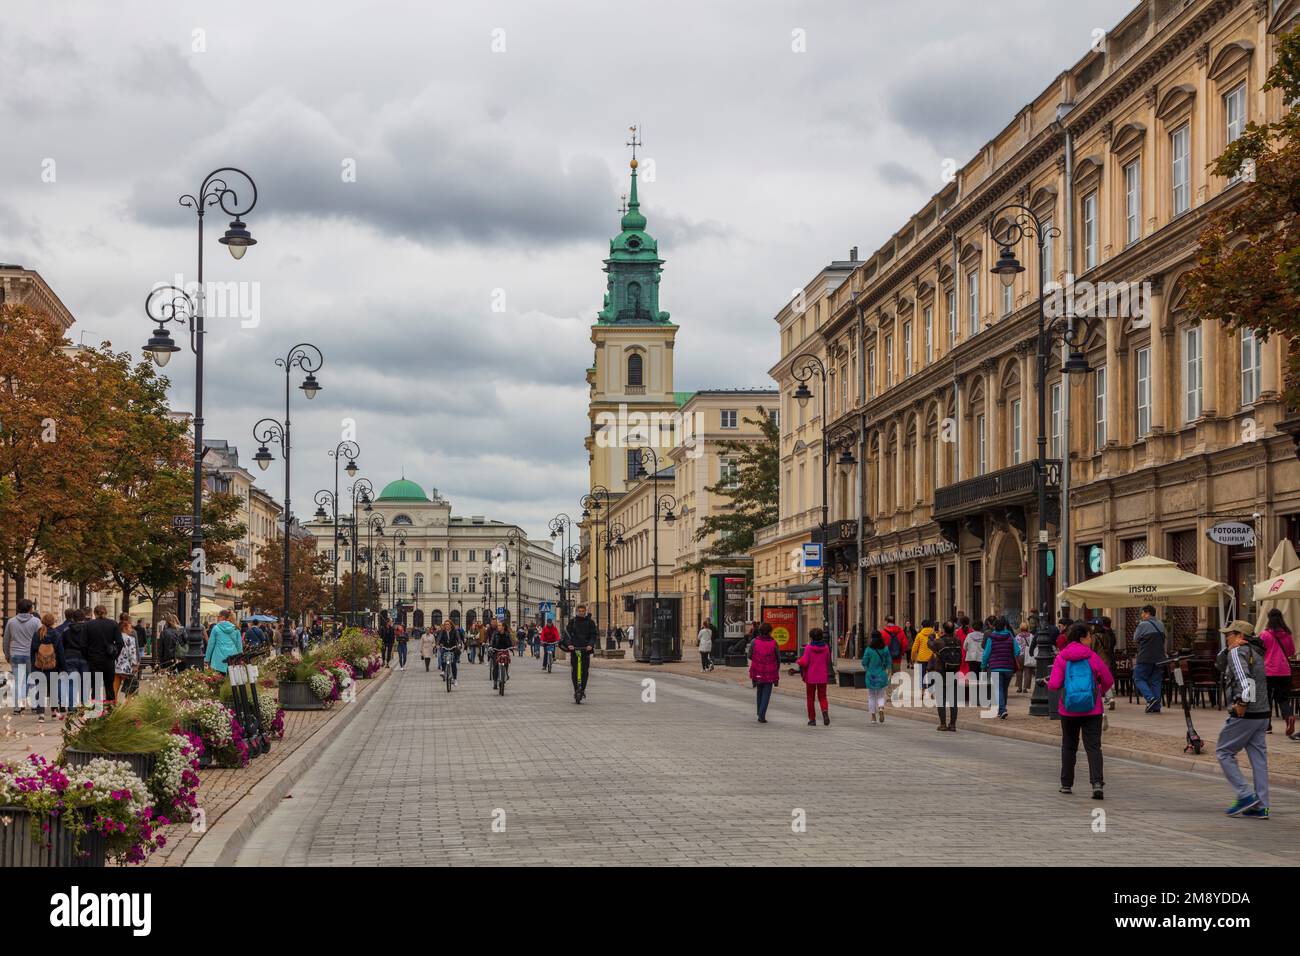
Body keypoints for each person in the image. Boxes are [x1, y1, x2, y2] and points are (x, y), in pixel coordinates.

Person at [1044, 622, 1114, 799]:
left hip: (1068, 709)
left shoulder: (1062, 658)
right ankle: (1097, 783)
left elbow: (1054, 685)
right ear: (1082, 638)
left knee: (1069, 746)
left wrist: (1048, 683)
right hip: (1092, 709)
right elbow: (1108, 679)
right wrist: (1098, 691)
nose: (1091, 639)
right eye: (1089, 636)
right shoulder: (1092, 657)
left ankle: (1066, 784)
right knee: (1093, 747)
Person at [1216, 620, 1271, 818]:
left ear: (1239, 635)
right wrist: (1225, 651)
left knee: (1223, 751)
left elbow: (1245, 680)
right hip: (1263, 713)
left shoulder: (1238, 652)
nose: (1226, 638)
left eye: (1229, 634)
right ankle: (1262, 805)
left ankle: (1244, 794)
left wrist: (1241, 702)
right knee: (1258, 759)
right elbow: (1221, 665)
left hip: (1246, 713)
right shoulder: (1256, 652)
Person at [1259, 609, 1295, 738]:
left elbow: (1259, 651)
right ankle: (1289, 716)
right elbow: (1291, 652)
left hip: (1268, 671)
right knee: (1283, 698)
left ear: (1269, 619)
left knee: (1266, 699)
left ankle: (1267, 726)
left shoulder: (1264, 635)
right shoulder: (1287, 634)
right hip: (1285, 671)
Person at [3, 599, 42, 715]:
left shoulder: (11, 622)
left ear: (18, 608)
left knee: (18, 681)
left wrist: (7, 654)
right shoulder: (36, 622)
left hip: (15, 654)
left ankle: (18, 707)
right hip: (31, 655)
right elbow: (41, 637)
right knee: (33, 679)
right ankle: (35, 705)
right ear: (30, 609)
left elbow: (6, 639)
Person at [83, 605, 123, 707]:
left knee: (95, 685)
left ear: (94, 613)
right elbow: (120, 642)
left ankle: (95, 710)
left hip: (94, 659)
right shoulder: (113, 624)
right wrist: (115, 654)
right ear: (106, 612)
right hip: (108, 659)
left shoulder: (88, 625)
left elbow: (83, 644)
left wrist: (87, 656)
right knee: (109, 685)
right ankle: (110, 709)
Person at [792, 628, 832, 727]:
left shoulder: (809, 648)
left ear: (811, 637)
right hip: (822, 675)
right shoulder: (826, 647)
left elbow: (805, 662)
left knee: (810, 698)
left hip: (811, 676)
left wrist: (798, 661)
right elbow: (828, 661)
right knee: (822, 697)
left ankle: (812, 719)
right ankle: (824, 712)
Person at [981, 616, 1019, 719]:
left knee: (998, 689)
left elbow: (986, 654)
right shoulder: (1010, 636)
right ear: (1004, 627)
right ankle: (1001, 709)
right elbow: (1017, 650)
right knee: (1004, 689)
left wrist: (983, 665)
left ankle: (1002, 709)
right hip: (1008, 667)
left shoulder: (991, 638)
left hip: (995, 667)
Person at [1132, 605, 1168, 713]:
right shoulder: (1161, 624)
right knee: (1155, 681)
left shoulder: (1142, 624)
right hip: (1159, 658)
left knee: (1138, 677)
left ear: (1147, 613)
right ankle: (1156, 706)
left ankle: (1150, 698)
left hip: (1145, 657)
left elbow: (1135, 639)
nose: (1142, 615)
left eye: (1143, 613)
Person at [929, 622, 964, 731]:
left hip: (941, 672)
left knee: (941, 699)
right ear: (954, 630)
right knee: (953, 700)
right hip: (954, 672)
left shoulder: (939, 641)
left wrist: (931, 637)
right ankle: (952, 724)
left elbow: (930, 645)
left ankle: (943, 724)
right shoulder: (958, 641)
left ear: (943, 629)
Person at [30, 612, 64, 721]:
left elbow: (33, 650)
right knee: (53, 689)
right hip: (53, 666)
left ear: (42, 621)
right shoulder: (56, 634)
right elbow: (60, 652)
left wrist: (33, 665)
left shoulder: (37, 634)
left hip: (39, 666)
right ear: (53, 622)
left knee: (40, 689)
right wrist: (63, 667)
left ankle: (41, 714)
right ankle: (54, 712)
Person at [564, 604, 598, 703]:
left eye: (583, 611)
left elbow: (593, 635)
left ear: (585, 611)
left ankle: (582, 689)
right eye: (580, 611)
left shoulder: (590, 622)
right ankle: (576, 690)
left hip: (585, 649)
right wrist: (569, 644)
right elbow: (567, 635)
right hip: (575, 649)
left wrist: (590, 645)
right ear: (577, 612)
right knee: (574, 671)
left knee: (585, 671)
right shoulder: (572, 622)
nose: (581, 612)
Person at [748, 622, 780, 723]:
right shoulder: (774, 643)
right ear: (770, 632)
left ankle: (759, 712)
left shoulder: (754, 641)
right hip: (770, 671)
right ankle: (761, 715)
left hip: (757, 670)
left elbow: (749, 655)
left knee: (759, 691)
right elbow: (778, 658)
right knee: (766, 693)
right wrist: (776, 668)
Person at [861, 630, 892, 724]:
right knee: (881, 695)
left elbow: (864, 662)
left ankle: (873, 716)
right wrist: (888, 671)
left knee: (871, 696)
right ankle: (881, 708)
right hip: (881, 674)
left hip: (871, 675)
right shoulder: (885, 648)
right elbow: (889, 662)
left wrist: (867, 668)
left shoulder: (869, 649)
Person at [61, 609, 90, 710]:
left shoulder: (66, 630)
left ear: (73, 618)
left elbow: (62, 646)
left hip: (69, 657)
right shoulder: (88, 630)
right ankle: (84, 705)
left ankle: (71, 707)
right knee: (85, 682)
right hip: (84, 658)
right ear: (84, 618)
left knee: (71, 683)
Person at [1090, 616, 1118, 713]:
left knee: (1098, 680)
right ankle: (1110, 697)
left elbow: (1092, 649)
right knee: (1106, 678)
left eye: (1092, 625)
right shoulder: (1107, 636)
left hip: (1098, 660)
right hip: (1108, 659)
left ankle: (1107, 697)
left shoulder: (1094, 637)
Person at [203, 609, 243, 676]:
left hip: (218, 659)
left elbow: (211, 645)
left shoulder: (216, 628)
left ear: (222, 617)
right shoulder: (236, 629)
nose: (217, 618)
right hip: (232, 657)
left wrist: (207, 659)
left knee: (218, 680)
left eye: (218, 616)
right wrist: (240, 658)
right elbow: (239, 645)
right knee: (232, 681)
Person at [114, 615, 140, 701]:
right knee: (130, 687)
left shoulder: (114, 638)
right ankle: (128, 706)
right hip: (126, 667)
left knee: (115, 687)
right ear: (124, 628)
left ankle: (113, 704)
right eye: (130, 628)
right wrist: (135, 665)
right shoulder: (130, 639)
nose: (131, 630)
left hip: (116, 666)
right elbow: (132, 653)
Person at [490, 621, 514, 689]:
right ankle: (495, 681)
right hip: (496, 651)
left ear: (503, 627)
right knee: (496, 666)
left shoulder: (507, 634)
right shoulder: (495, 634)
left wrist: (512, 647)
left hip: (505, 651)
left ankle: (504, 677)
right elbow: (492, 641)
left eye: (500, 625)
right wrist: (491, 646)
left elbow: (510, 642)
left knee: (506, 664)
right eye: (498, 625)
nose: (498, 627)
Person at [1016, 621, 1035, 693]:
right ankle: (1025, 688)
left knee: (1019, 670)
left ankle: (1019, 687)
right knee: (1028, 671)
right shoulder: (1031, 635)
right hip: (1028, 655)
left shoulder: (1018, 636)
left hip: (1020, 655)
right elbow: (1033, 645)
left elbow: (1016, 646)